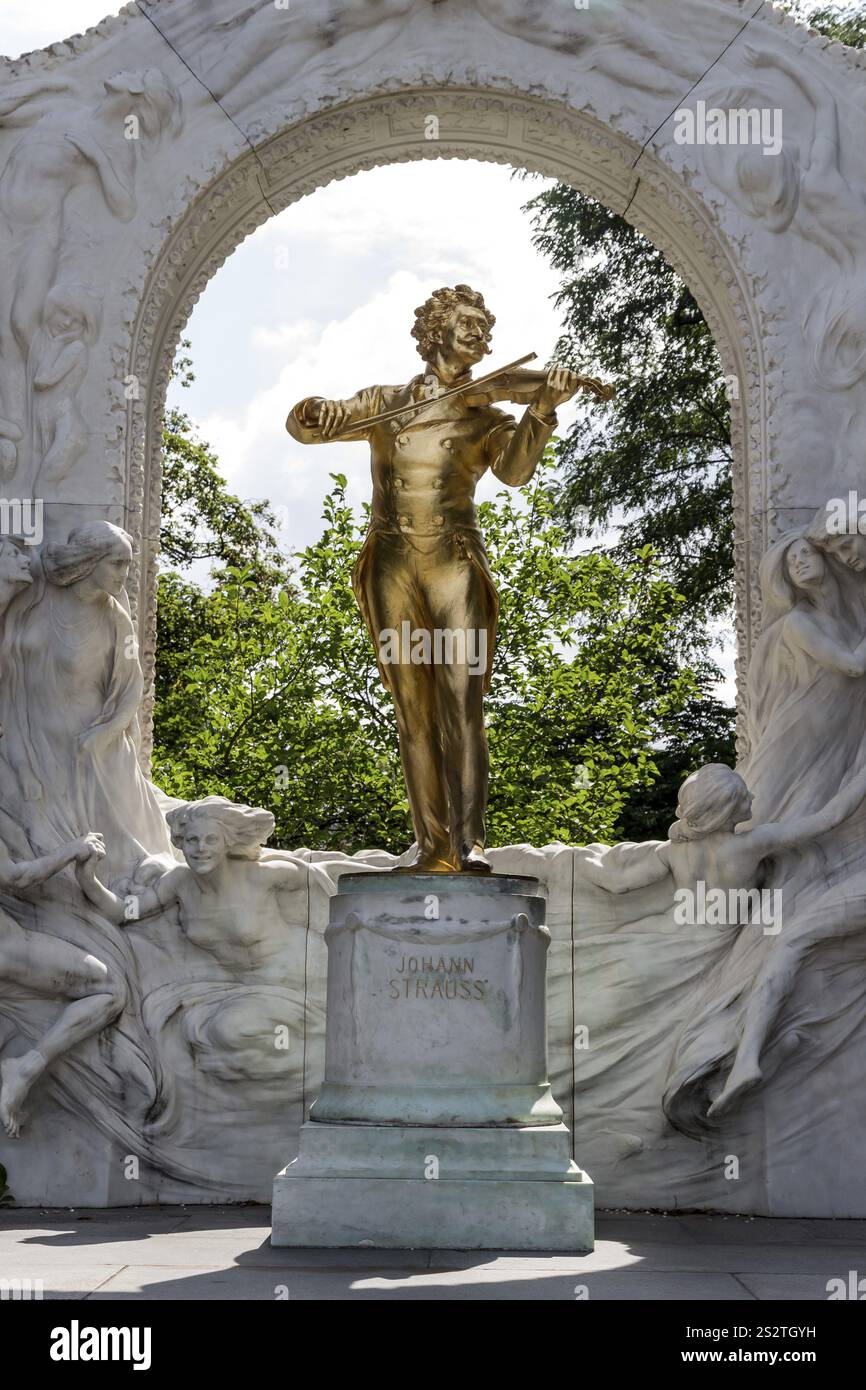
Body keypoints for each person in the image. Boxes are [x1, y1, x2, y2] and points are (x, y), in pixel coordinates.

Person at [286, 283, 583, 872]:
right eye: (467, 324)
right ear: (435, 332)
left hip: (454, 563)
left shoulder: (488, 416)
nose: (480, 334)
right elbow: (312, 427)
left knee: (460, 699)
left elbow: (517, 473)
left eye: (483, 327)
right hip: (392, 565)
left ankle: (469, 843)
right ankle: (433, 846)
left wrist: (542, 406)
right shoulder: (384, 402)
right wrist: (308, 412)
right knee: (413, 709)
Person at [0, 521, 174, 882]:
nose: (124, 574)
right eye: (117, 563)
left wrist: (105, 735)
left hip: (95, 750)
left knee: (126, 856)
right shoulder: (35, 597)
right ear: (89, 561)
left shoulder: (114, 617)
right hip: (37, 745)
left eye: (128, 565)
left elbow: (130, 690)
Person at [75, 796, 314, 979]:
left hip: (290, 975)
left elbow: (324, 881)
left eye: (211, 839)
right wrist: (87, 877)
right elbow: (125, 911)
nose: (201, 848)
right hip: (222, 988)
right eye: (192, 840)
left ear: (227, 843)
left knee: (230, 1030)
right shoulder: (180, 880)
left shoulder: (262, 876)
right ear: (182, 844)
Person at [0, 830, 122, 1137]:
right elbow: (18, 878)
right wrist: (74, 849)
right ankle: (26, 1068)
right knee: (108, 990)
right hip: (9, 952)